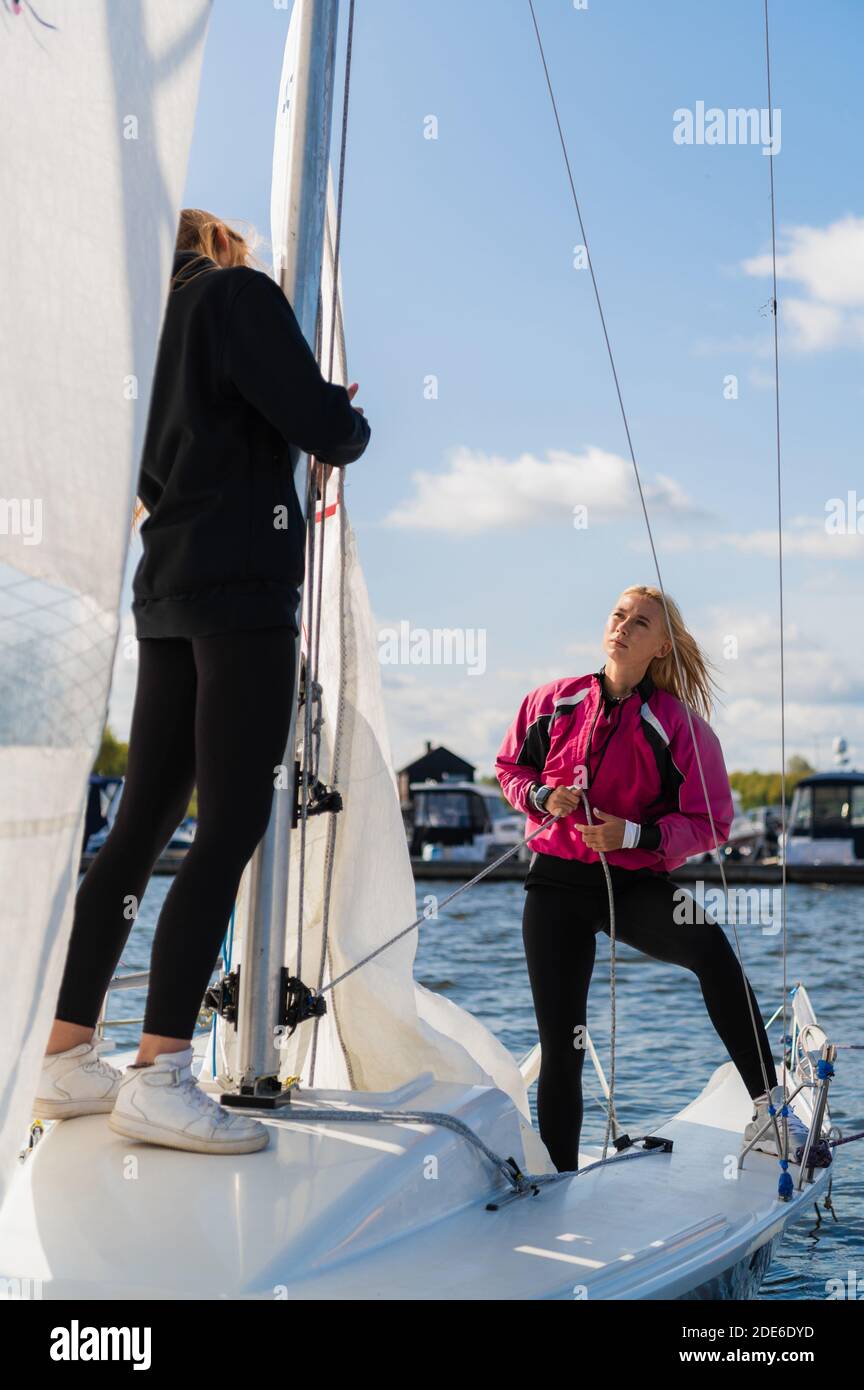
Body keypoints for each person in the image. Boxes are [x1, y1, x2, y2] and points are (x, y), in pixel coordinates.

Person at [33, 209, 371, 1155]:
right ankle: (162, 1069)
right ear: (216, 243)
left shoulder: (138, 344)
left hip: (167, 589)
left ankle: (62, 1055)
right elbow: (321, 426)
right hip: (242, 587)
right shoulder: (236, 295)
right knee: (227, 825)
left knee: (140, 822)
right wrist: (346, 417)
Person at [495, 585, 808, 1173]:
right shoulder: (550, 702)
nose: (622, 627)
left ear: (661, 647)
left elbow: (713, 820)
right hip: (556, 885)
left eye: (639, 623)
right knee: (563, 1046)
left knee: (712, 950)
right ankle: (558, 1181)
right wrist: (540, 795)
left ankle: (770, 1113)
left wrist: (632, 835)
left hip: (632, 885)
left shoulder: (681, 729)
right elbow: (510, 766)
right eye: (618, 615)